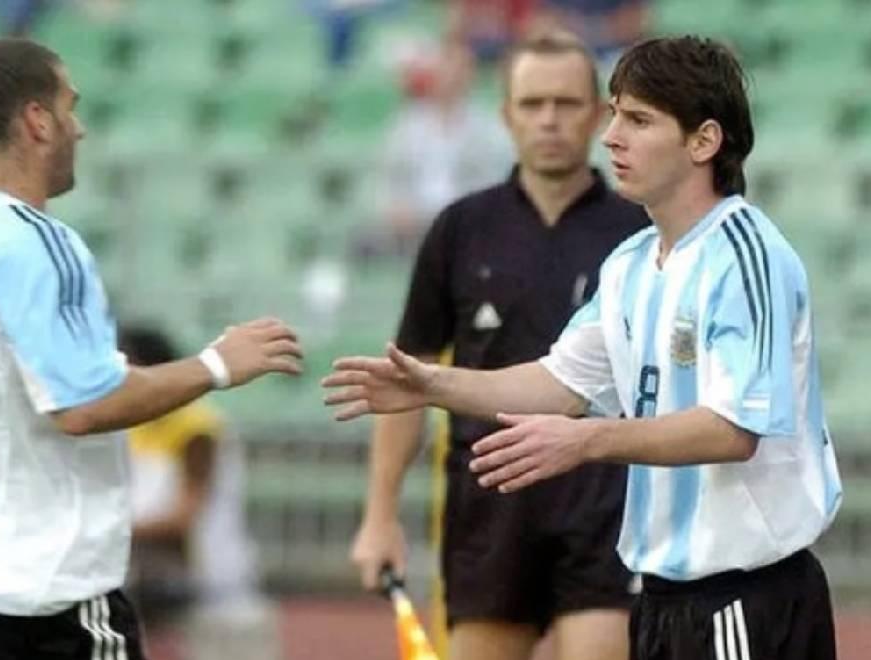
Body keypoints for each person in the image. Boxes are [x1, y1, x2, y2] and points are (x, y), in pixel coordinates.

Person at [326, 35, 843, 660]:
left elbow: (734, 430)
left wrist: (586, 441)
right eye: (617, 112)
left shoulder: (744, 254)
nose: (611, 135)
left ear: (704, 141)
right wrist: (434, 384)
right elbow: (559, 382)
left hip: (739, 597)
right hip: (662, 600)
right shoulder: (631, 262)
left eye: (638, 119)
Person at [0, 38, 302, 660]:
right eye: (71, 106)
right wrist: (217, 364)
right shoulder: (34, 239)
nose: (80, 128)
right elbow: (82, 404)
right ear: (38, 119)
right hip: (31, 598)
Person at [351, 30, 647, 660]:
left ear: (598, 117)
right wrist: (380, 516)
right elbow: (411, 380)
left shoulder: (640, 232)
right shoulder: (461, 229)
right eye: (533, 103)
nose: (549, 120)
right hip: (488, 506)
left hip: (607, 505)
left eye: (567, 105)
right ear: (506, 114)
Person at [119, 325, 274, 654]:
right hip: (158, 584)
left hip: (214, 586)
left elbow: (184, 516)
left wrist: (112, 531)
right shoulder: (135, 426)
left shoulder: (195, 426)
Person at [363, 38, 512, 260]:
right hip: (413, 223)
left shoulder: (490, 129)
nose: (451, 78)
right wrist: (396, 206)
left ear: (469, 76)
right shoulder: (408, 126)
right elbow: (391, 177)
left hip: (463, 224)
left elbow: (495, 184)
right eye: (445, 70)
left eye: (458, 71)